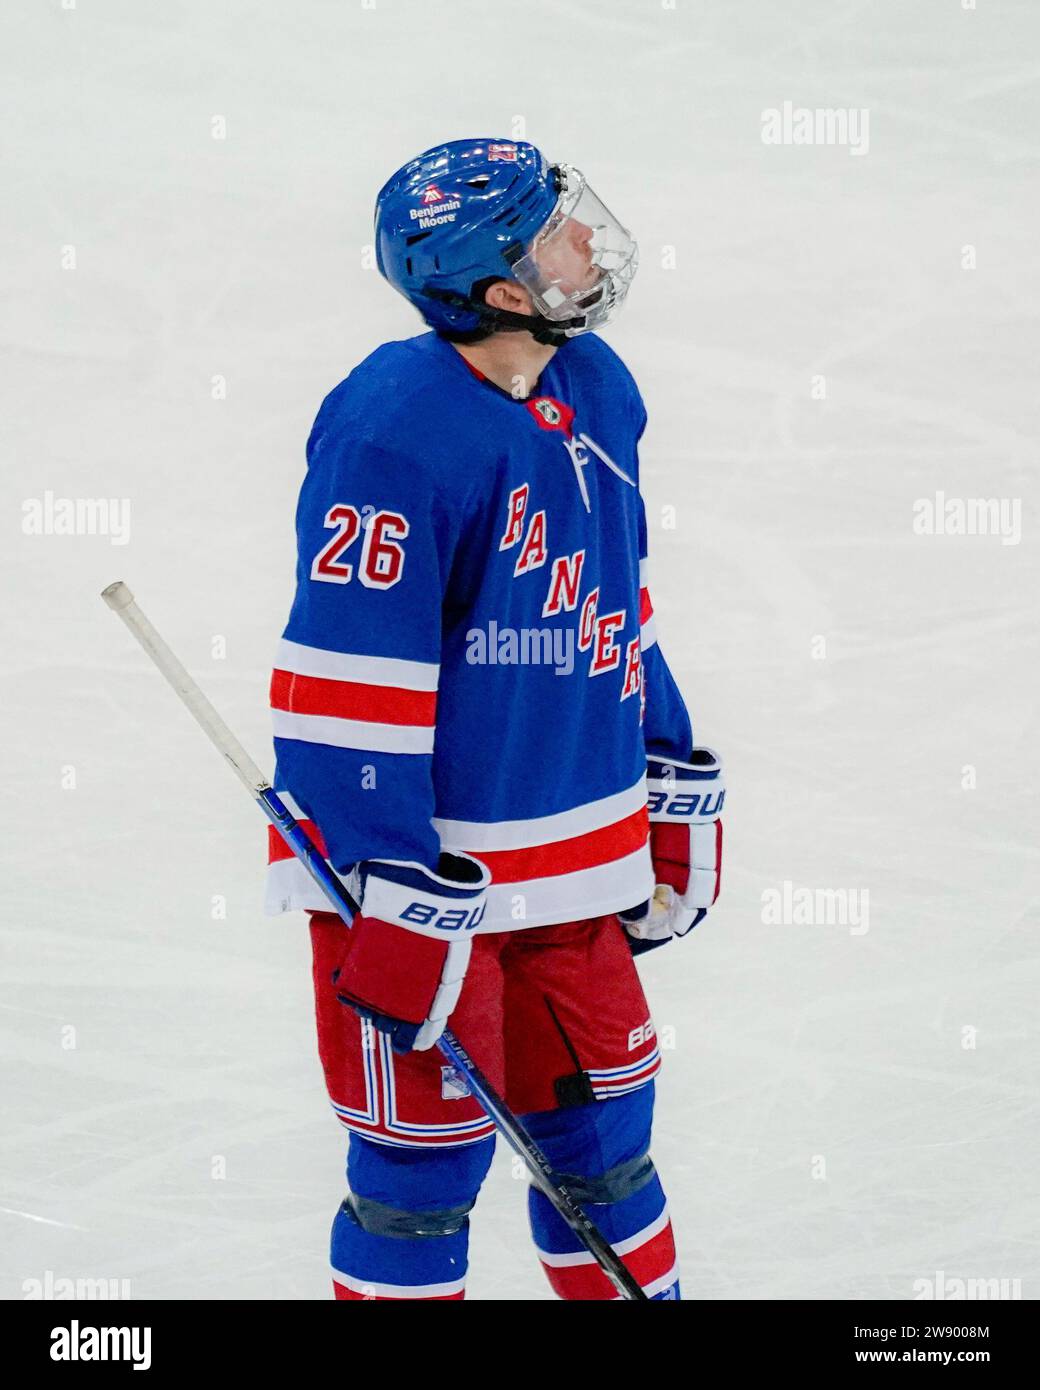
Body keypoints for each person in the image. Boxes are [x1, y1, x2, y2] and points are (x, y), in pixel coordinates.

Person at [266, 138, 725, 1300]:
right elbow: (344, 687)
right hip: (437, 892)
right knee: (412, 1190)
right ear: (501, 292)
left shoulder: (596, 386)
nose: (588, 239)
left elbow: (618, 598)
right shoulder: (391, 431)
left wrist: (662, 768)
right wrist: (389, 889)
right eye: (553, 230)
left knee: (606, 1164)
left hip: (575, 879)